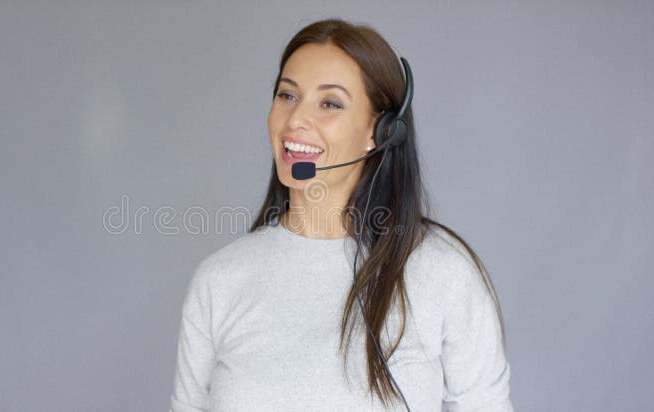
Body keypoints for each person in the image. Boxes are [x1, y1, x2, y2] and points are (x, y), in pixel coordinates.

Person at [169, 18, 513, 411]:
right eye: (287, 95)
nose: (295, 120)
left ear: (380, 132)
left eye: (329, 103)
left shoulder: (443, 273)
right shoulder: (219, 281)